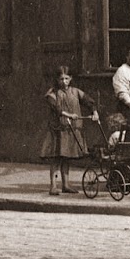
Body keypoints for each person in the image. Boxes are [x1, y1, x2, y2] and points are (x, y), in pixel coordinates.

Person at [40, 65, 98, 195]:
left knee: (66, 157)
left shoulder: (76, 92)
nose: (64, 82)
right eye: (61, 79)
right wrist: (69, 115)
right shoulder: (52, 93)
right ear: (57, 79)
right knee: (56, 157)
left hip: (72, 129)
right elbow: (57, 109)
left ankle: (66, 184)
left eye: (67, 79)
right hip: (58, 129)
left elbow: (89, 101)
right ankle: (53, 186)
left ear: (71, 78)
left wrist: (94, 112)